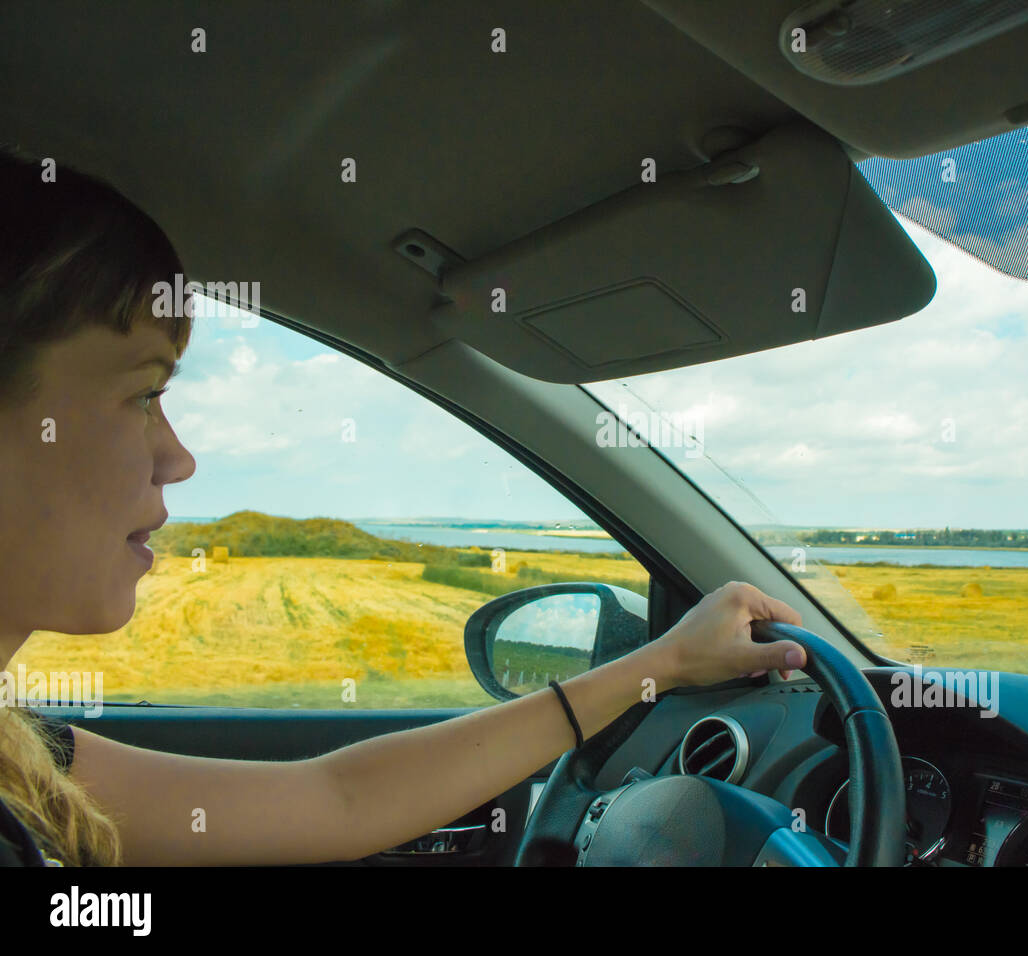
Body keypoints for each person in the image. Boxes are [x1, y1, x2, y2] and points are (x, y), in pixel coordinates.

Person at [0, 148, 808, 866]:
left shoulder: (22, 760)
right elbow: (335, 804)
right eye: (145, 392)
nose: (179, 457)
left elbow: (337, 803)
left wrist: (658, 666)